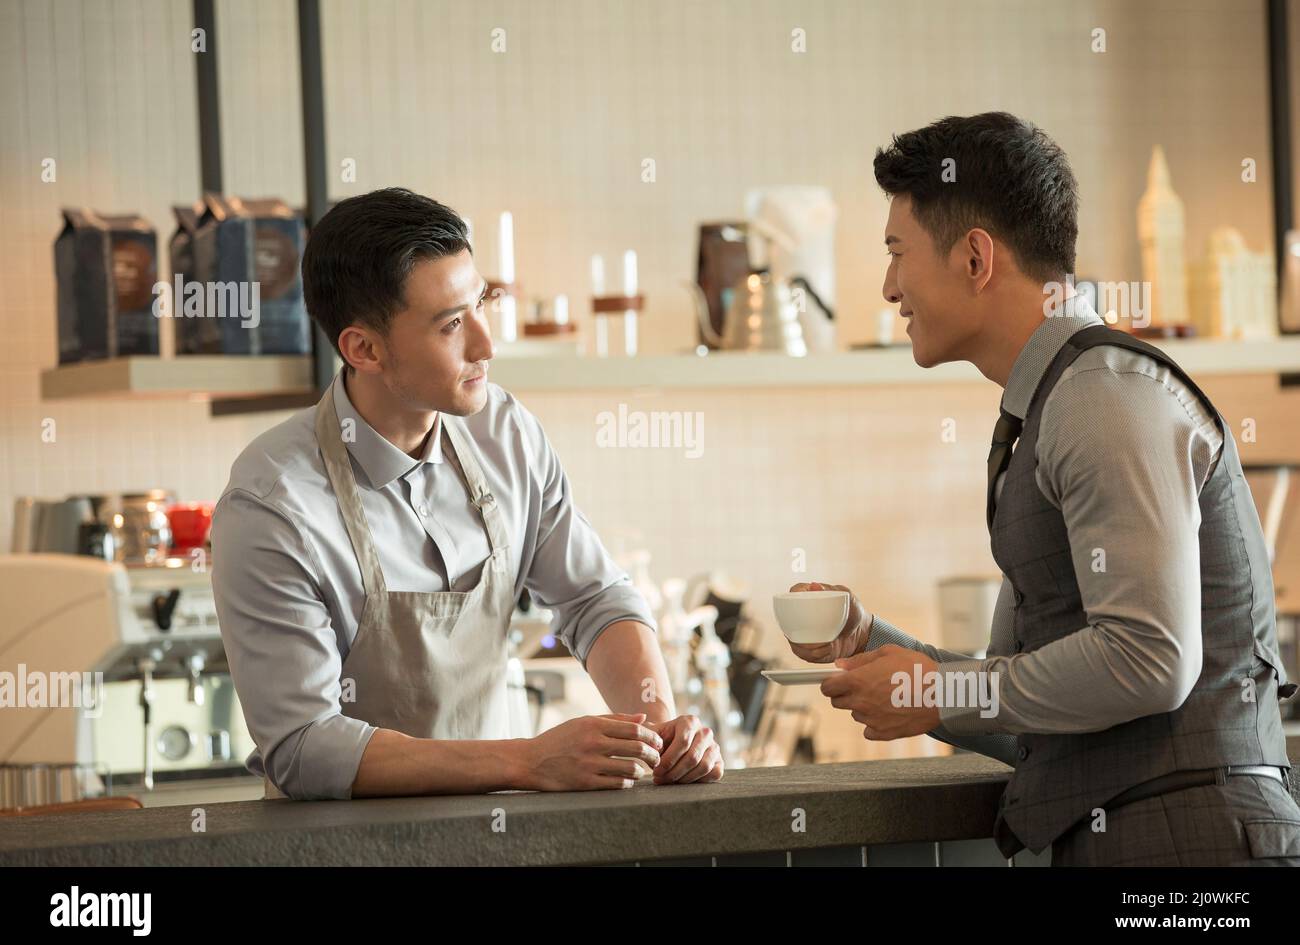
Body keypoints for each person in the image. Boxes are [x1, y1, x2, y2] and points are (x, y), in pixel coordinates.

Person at [785, 112, 1298, 865]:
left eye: (897, 253)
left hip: (1190, 852)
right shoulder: (1055, 406)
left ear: (975, 258)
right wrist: (873, 644)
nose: (890, 286)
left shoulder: (1101, 397)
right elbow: (1029, 714)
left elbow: (1150, 658)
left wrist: (938, 690)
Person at [212, 188, 722, 800]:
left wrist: (657, 730)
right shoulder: (273, 503)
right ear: (362, 348)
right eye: (452, 324)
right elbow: (304, 747)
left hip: (500, 845)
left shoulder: (504, 431)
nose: (486, 345)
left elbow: (595, 601)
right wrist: (529, 762)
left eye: (482, 305)